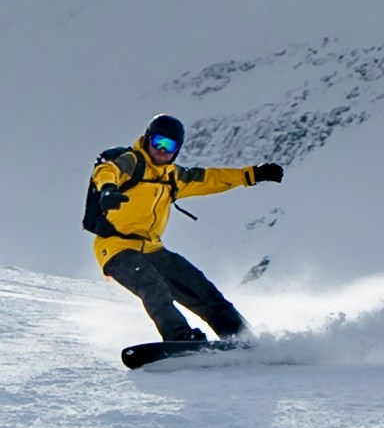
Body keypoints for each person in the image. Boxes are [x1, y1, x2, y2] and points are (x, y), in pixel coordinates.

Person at [84, 115, 281, 353]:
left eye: (169, 146)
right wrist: (107, 190)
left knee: (200, 287)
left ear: (177, 150)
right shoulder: (132, 162)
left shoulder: (173, 177)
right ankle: (180, 337)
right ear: (147, 140)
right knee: (152, 286)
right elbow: (107, 170)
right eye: (157, 142)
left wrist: (251, 175)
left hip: (153, 248)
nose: (162, 150)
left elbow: (211, 179)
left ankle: (241, 337)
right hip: (115, 246)